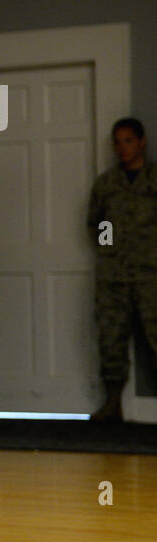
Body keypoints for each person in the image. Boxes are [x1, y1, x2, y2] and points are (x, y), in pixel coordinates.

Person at [88, 117, 157, 421]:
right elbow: (96, 224)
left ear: (141, 142)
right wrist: (110, 248)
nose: (122, 147)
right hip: (114, 276)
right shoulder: (106, 184)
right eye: (117, 141)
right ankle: (113, 404)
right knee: (111, 339)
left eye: (128, 140)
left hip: (151, 275)